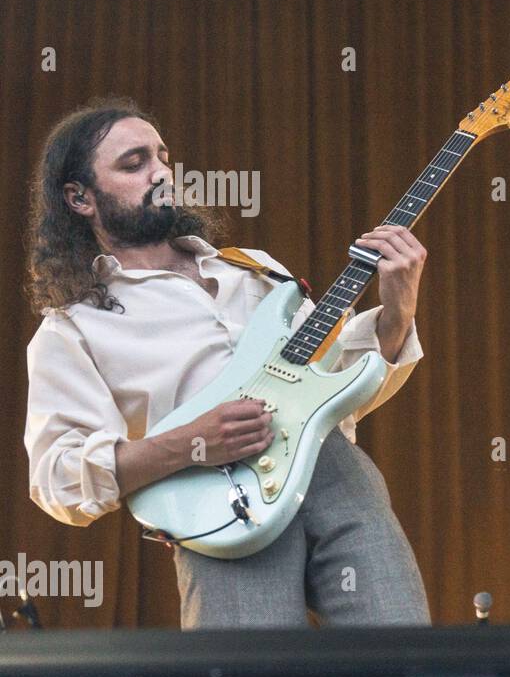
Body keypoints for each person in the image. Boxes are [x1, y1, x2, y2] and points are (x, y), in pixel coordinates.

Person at [24, 99, 432, 629]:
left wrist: (398, 308)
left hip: (336, 475)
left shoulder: (256, 270)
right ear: (80, 198)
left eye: (163, 157)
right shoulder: (72, 327)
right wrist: (189, 441)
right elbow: (59, 479)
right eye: (134, 164)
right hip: (218, 507)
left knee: (402, 667)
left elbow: (337, 388)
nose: (161, 173)